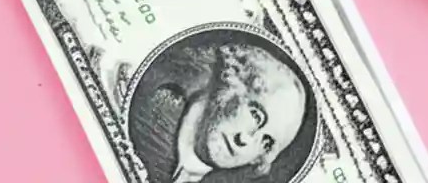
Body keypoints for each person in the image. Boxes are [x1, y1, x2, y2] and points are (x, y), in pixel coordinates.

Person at [130, 38, 309, 183]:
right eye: (255, 116)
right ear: (232, 85)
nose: (245, 139)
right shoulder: (154, 106)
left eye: (267, 142)